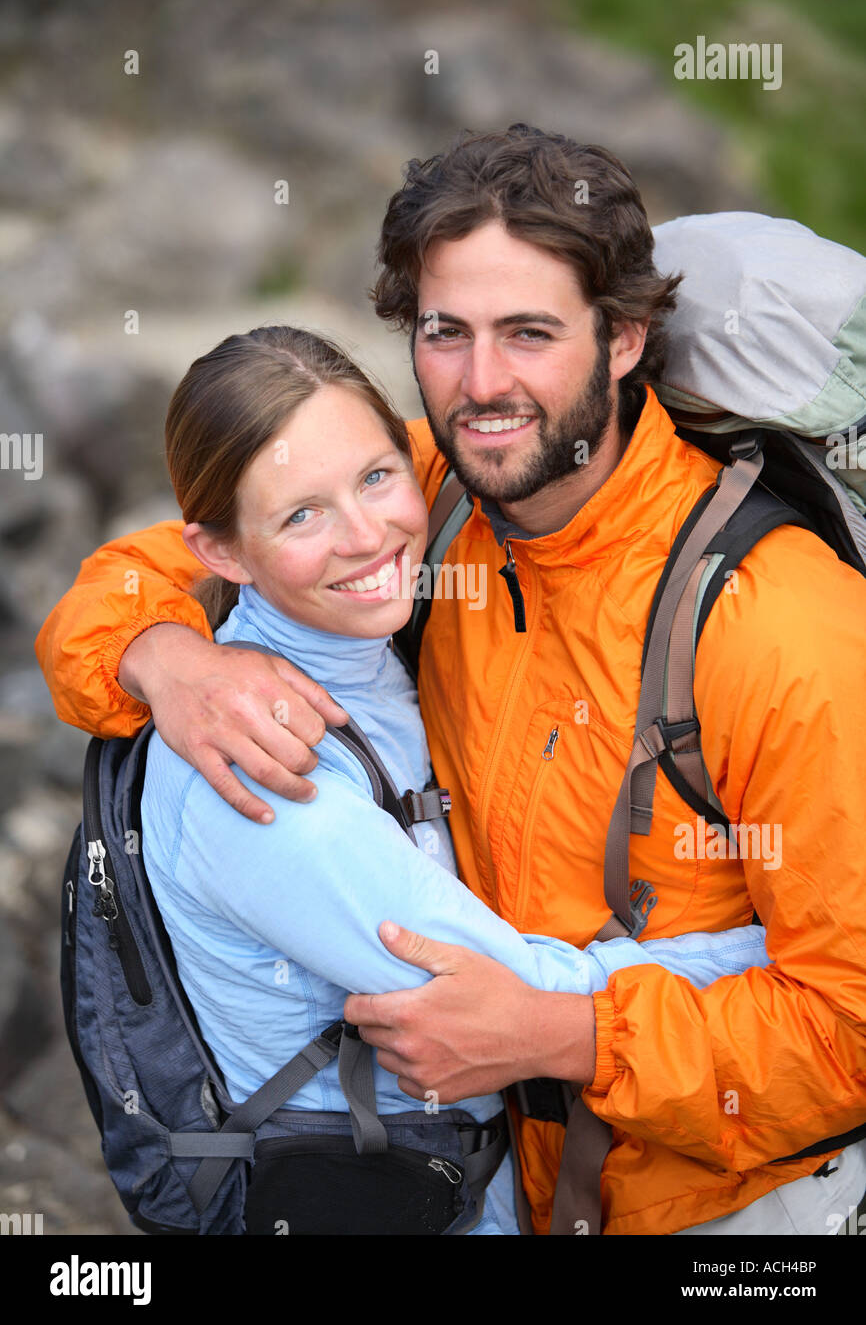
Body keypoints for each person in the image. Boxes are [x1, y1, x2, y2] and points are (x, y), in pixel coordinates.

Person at [36, 126, 866, 1235]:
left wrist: (568, 1038)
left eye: (528, 333)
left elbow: (850, 1030)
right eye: (445, 333)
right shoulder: (430, 503)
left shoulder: (781, 624)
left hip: (723, 1202)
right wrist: (167, 656)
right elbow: (144, 572)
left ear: (621, 339)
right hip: (505, 1186)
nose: (481, 386)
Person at [133, 322, 766, 1235]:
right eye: (301, 515)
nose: (367, 536)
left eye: (377, 477)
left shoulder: (354, 654)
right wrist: (778, 955)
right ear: (222, 553)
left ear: (415, 458)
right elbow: (517, 997)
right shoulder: (263, 778)